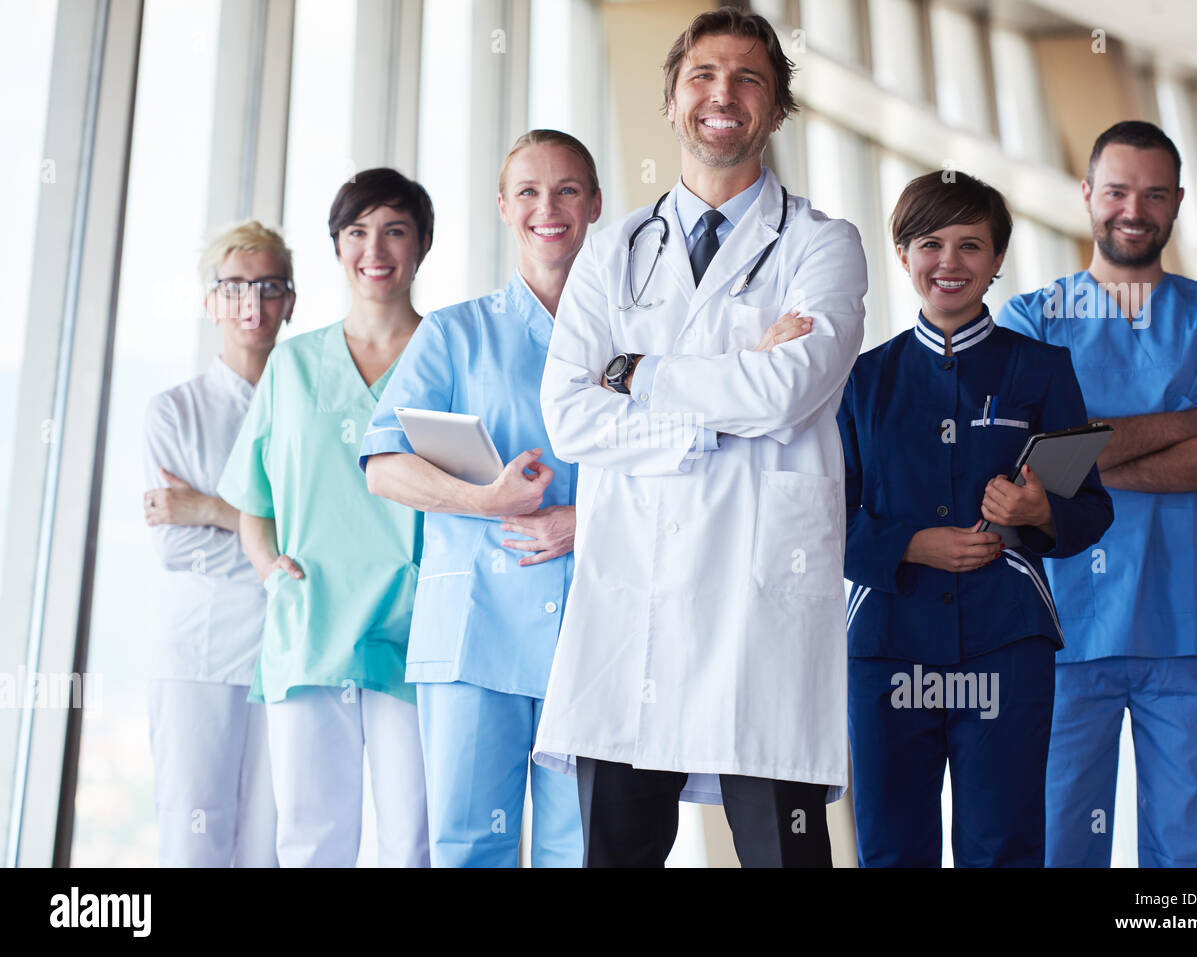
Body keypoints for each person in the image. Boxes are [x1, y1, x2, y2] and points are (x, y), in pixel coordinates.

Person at [531, 8, 869, 868]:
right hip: (629, 604)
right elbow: (570, 416)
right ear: (674, 100)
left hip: (760, 604)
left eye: (750, 78)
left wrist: (635, 372)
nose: (724, 94)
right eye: (704, 77)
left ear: (778, 108)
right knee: (615, 854)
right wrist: (731, 382)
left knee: (785, 856)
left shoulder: (823, 246)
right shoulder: (612, 254)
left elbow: (790, 390)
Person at [997, 121, 1197, 867]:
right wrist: (1190, 420)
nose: (1135, 209)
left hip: (1188, 629)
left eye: (1155, 194)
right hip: (1060, 630)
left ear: (1179, 203)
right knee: (1058, 844)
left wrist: (1084, 458)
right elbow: (1030, 462)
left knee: (1192, 855)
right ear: (1087, 194)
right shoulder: (1031, 322)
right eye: (1119, 190)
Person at [837, 172, 1113, 867]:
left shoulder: (1042, 370)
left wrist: (1041, 508)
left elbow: (1091, 509)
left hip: (1007, 639)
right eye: (930, 243)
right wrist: (914, 544)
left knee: (1004, 843)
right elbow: (818, 520)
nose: (949, 262)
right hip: (888, 641)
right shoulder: (862, 379)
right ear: (903, 256)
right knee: (892, 844)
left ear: (997, 262)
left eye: (971, 245)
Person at [360, 130, 603, 867]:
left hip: (591, 635)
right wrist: (488, 500)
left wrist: (583, 518)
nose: (547, 208)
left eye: (566, 190)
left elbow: (680, 463)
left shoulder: (628, 339)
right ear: (503, 206)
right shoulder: (453, 334)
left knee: (581, 848)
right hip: (474, 631)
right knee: (470, 847)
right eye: (528, 191)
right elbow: (382, 464)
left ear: (594, 204)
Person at [217, 168, 436, 867]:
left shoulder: (448, 354)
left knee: (415, 838)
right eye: (357, 231)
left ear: (421, 245)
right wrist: (267, 565)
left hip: (416, 631)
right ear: (338, 247)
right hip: (309, 626)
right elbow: (255, 502)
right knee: (312, 840)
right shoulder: (292, 366)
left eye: (395, 229)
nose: (375, 248)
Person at [142, 220, 293, 867]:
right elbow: (179, 551)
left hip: (283, 649)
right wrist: (268, 532)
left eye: (267, 286)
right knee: (195, 834)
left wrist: (208, 508)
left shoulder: (304, 407)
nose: (251, 304)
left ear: (290, 299)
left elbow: (326, 534)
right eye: (234, 288)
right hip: (198, 650)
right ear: (210, 302)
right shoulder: (173, 410)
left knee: (269, 841)